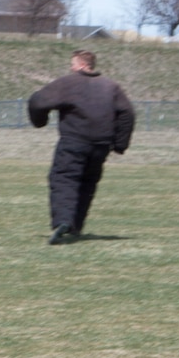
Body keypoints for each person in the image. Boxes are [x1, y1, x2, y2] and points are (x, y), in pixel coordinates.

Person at [27, 49, 135, 244]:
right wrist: (120, 144)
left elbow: (37, 101)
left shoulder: (69, 83)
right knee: (87, 183)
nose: (71, 67)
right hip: (101, 146)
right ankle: (75, 225)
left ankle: (63, 221)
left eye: (73, 64)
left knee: (64, 179)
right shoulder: (111, 86)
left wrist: (39, 122)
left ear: (82, 65)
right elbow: (127, 114)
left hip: (74, 141)